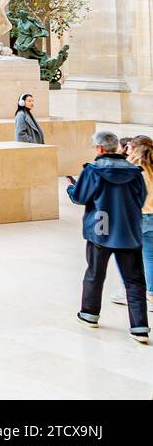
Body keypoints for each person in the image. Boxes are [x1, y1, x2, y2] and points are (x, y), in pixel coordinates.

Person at [68, 130, 148, 344]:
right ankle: (139, 327)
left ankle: (89, 314)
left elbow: (80, 197)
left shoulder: (92, 170)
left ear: (100, 149)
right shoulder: (134, 171)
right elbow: (140, 199)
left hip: (100, 231)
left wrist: (71, 189)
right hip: (129, 232)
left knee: (95, 273)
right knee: (134, 281)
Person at [126, 135, 153, 306]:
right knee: (150, 257)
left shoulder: (134, 170)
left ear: (135, 148)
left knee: (129, 257)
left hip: (138, 217)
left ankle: (132, 293)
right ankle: (151, 294)